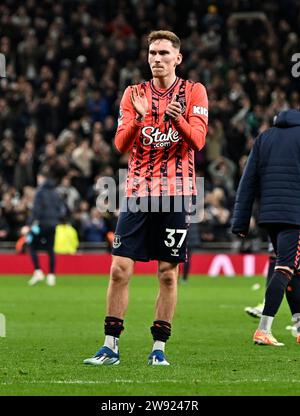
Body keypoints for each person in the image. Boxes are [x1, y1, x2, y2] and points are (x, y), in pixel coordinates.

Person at [83, 30, 208, 366]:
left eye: (164, 53)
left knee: (168, 273)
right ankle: (110, 346)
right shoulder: (133, 93)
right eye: (152, 53)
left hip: (177, 195)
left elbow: (198, 141)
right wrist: (138, 119)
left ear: (177, 58)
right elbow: (120, 145)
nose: (157, 59)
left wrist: (176, 118)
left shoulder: (194, 91)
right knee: (119, 270)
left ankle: (158, 348)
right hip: (138, 193)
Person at [232, 109, 300, 346]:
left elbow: (248, 179)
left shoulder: (264, 137)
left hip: (270, 215)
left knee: (293, 269)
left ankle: (299, 324)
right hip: (295, 215)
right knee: (285, 268)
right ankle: (264, 329)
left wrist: (241, 221)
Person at [27, 167, 66, 286]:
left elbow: (36, 210)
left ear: (42, 178)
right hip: (53, 224)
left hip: (41, 224)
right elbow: (62, 209)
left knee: (31, 245)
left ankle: (38, 271)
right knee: (50, 249)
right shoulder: (55, 192)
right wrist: (56, 219)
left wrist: (29, 224)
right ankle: (51, 276)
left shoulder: (40, 192)